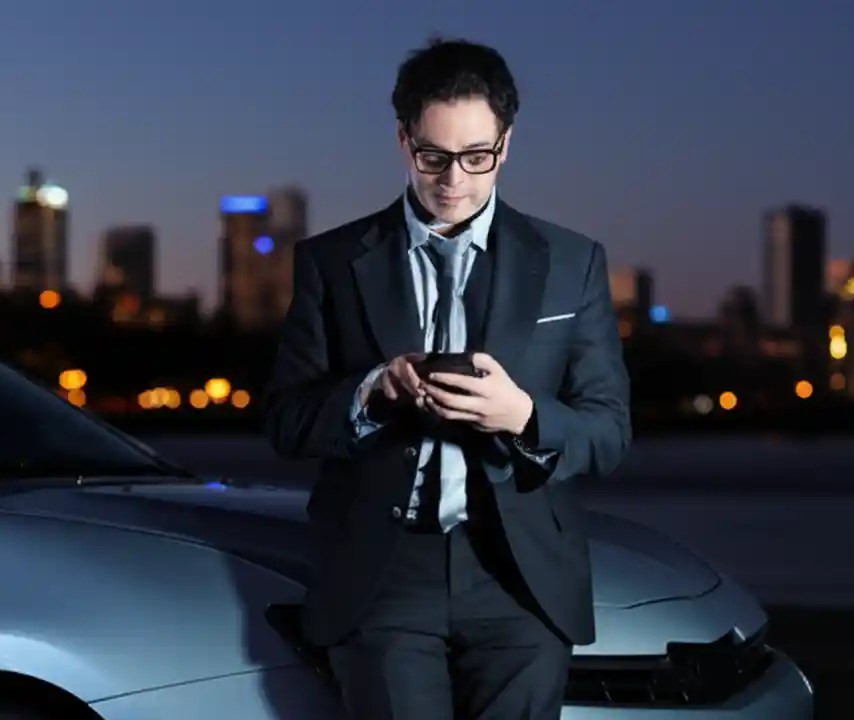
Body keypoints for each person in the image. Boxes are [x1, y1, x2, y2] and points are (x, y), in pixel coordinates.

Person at [262, 36, 632, 719]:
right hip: (383, 571)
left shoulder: (571, 263)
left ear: (507, 144)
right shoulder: (331, 260)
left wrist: (522, 415)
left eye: (475, 157)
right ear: (404, 141)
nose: (453, 180)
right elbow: (285, 420)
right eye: (433, 156)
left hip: (519, 578)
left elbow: (609, 432)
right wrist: (370, 395)